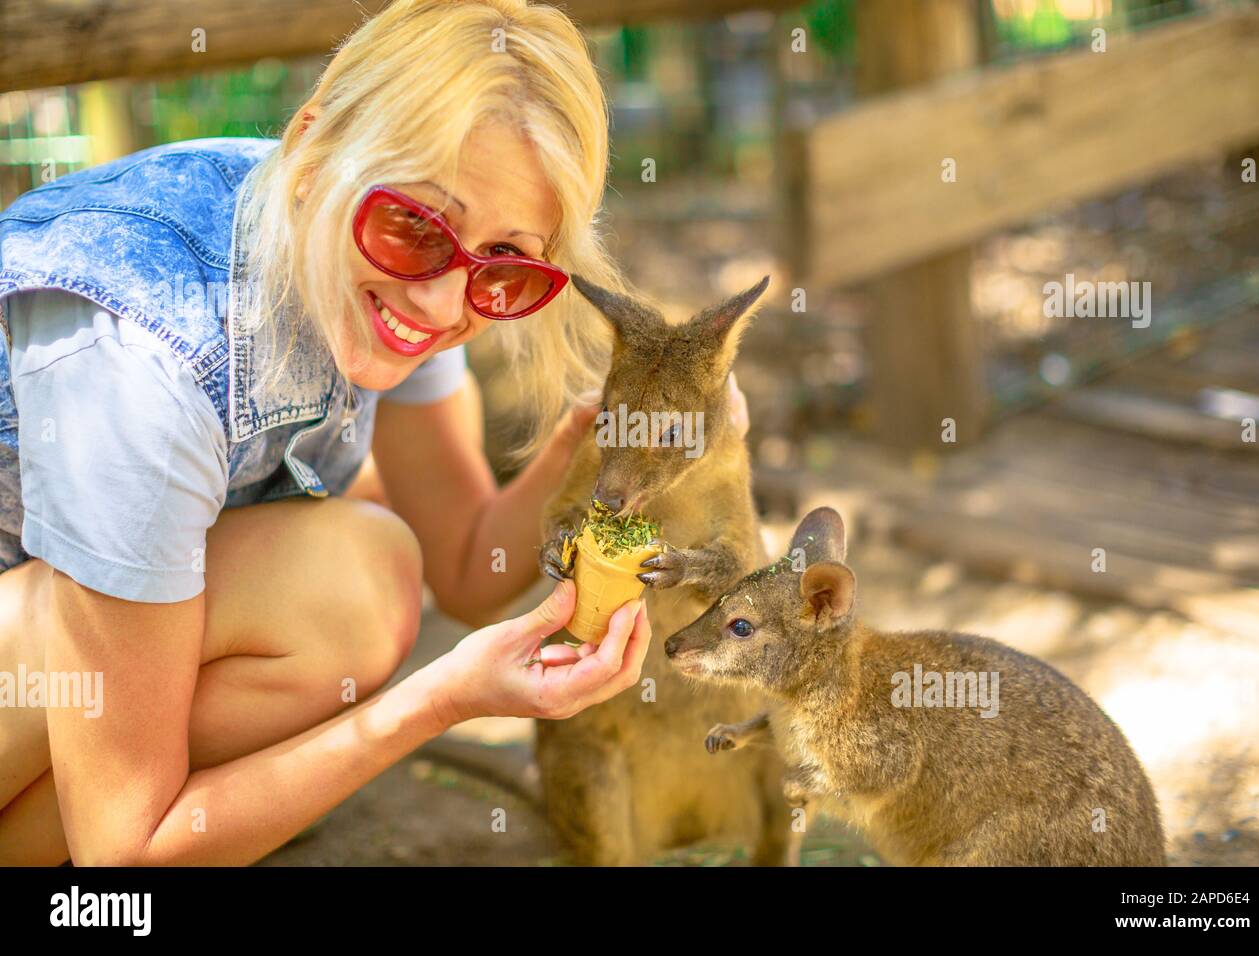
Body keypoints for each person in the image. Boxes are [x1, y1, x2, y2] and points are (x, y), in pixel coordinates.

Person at [0, 0, 743, 866]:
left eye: (505, 268)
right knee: (345, 589)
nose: (441, 302)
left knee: (365, 580)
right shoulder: (147, 356)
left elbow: (468, 569)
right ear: (314, 152)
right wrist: (433, 704)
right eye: (415, 227)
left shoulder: (371, 268)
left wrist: (590, 442)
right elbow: (121, 864)